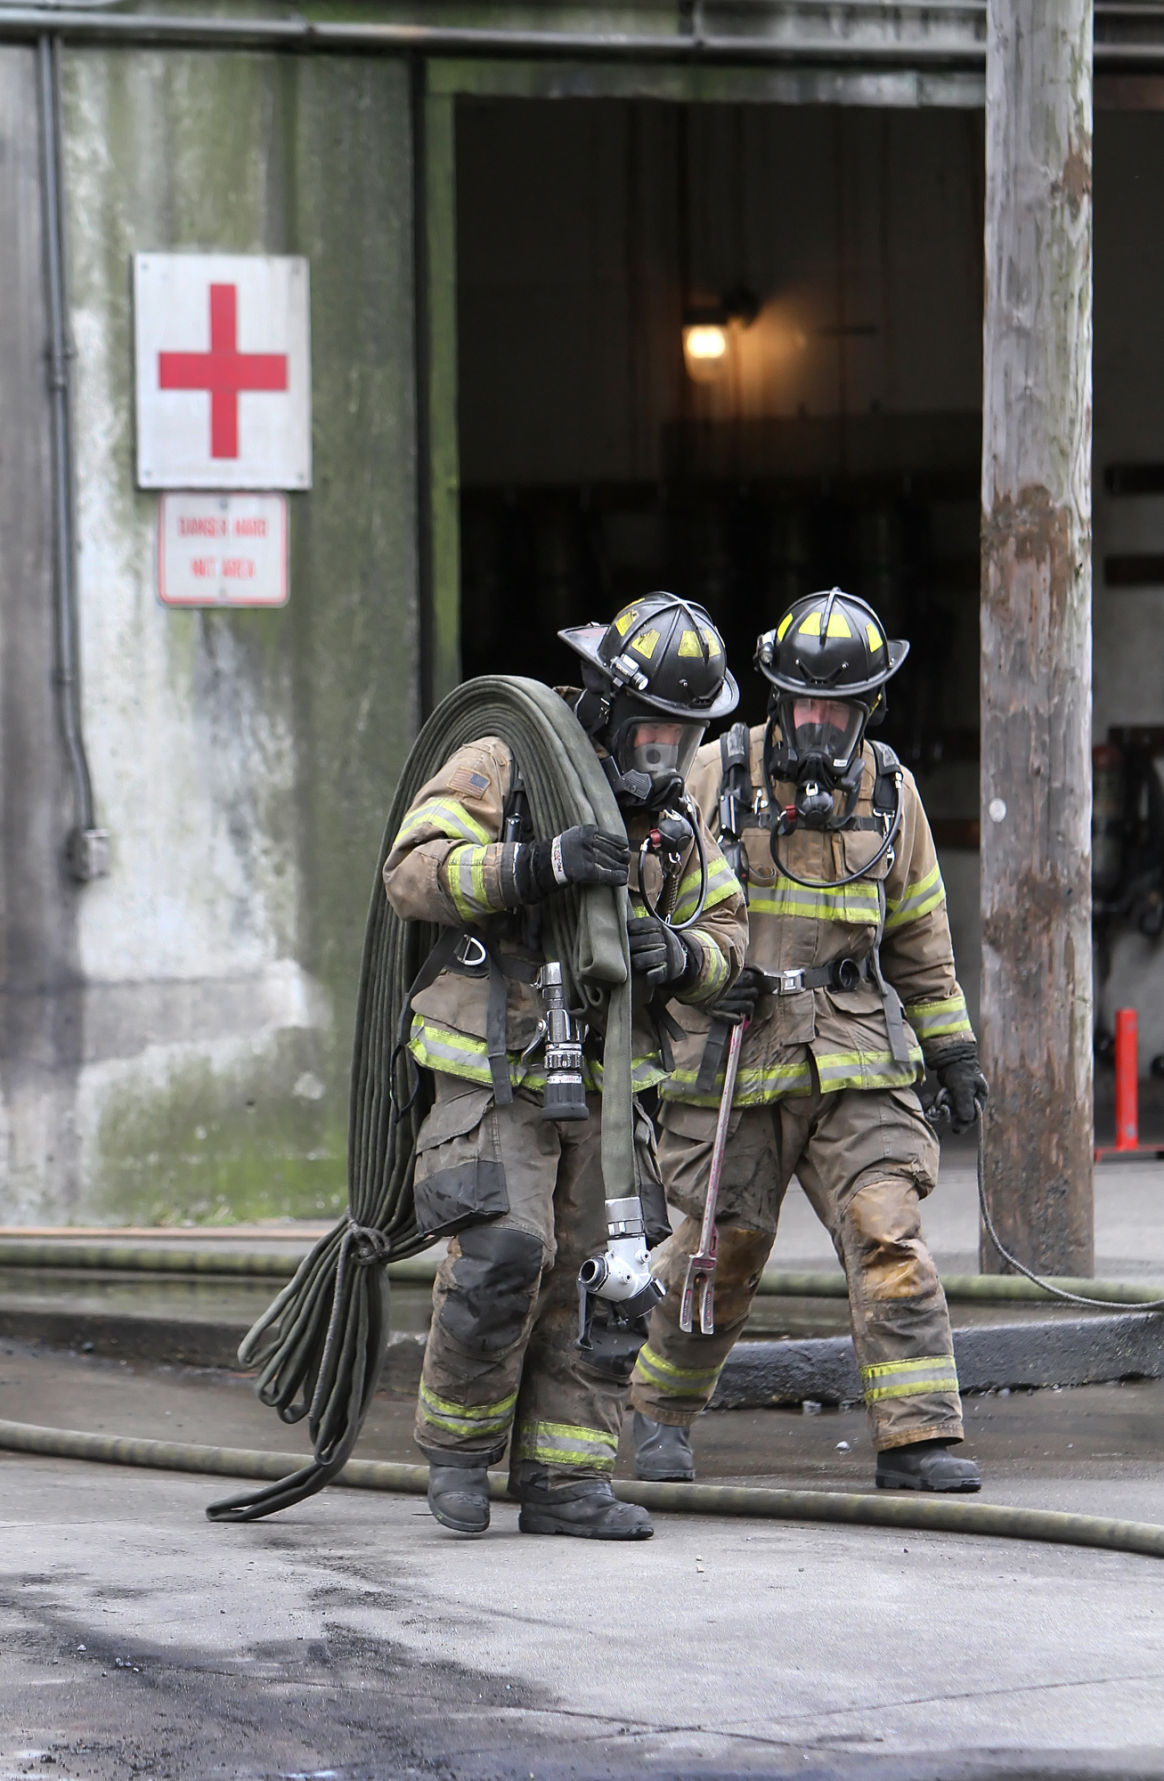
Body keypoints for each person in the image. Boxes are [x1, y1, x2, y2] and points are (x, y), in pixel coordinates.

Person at [382, 594, 748, 1539]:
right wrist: (536, 863)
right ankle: (461, 1453)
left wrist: (678, 956)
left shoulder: (672, 818)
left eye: (682, 737)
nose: (662, 755)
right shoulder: (509, 753)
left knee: (610, 1274)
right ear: (605, 700)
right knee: (506, 1248)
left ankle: (567, 1479)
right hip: (497, 1061)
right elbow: (414, 870)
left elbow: (727, 934)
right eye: (651, 731)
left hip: (613, 1074)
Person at [629, 587, 988, 1493]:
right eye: (805, 704)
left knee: (887, 1228)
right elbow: (641, 900)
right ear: (776, 696)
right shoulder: (711, 773)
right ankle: (654, 1414)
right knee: (723, 1248)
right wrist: (686, 969)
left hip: (855, 1059)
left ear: (869, 707)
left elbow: (921, 935)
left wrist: (953, 1050)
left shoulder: (891, 794)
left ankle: (918, 1438)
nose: (820, 724)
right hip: (733, 1058)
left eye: (840, 708)